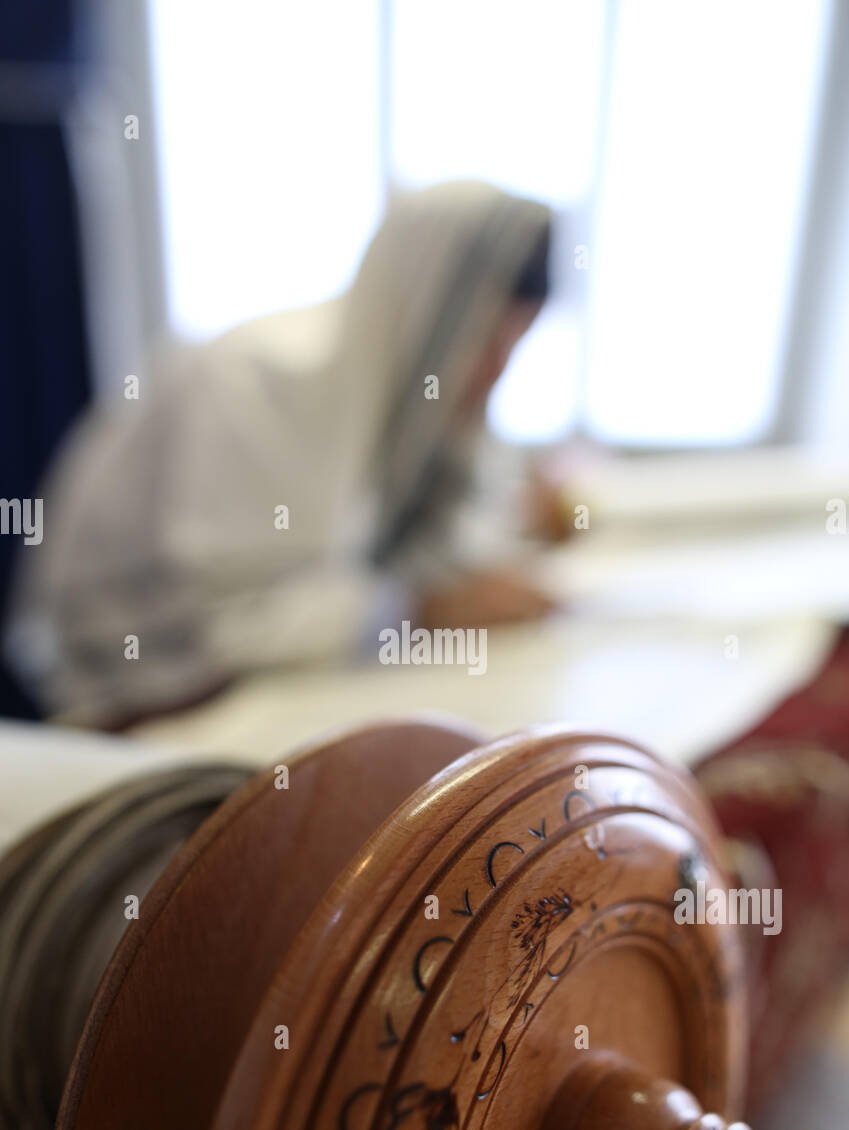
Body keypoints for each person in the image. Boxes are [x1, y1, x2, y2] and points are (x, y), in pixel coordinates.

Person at [6, 181, 556, 727]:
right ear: (432, 316)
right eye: (484, 344)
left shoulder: (409, 405)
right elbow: (235, 627)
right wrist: (421, 611)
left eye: (512, 351)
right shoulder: (263, 377)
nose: (492, 376)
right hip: (123, 698)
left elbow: (442, 538)